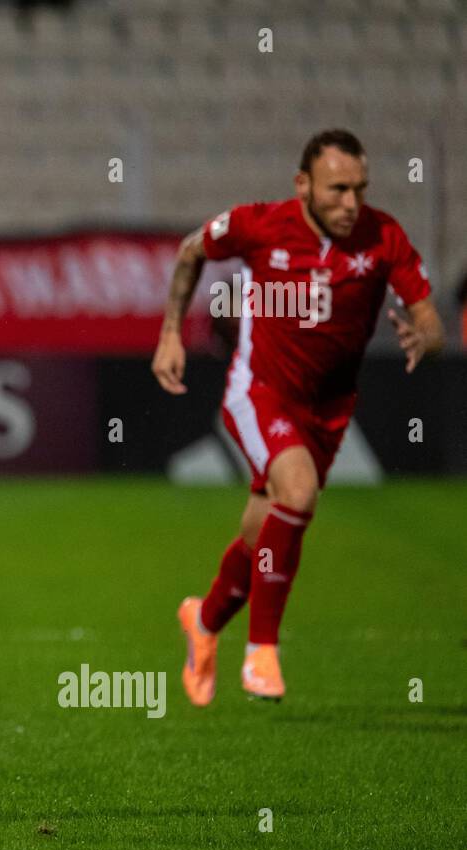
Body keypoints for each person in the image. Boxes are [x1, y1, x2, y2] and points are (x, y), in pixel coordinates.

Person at [152, 128, 443, 706]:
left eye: (359, 189)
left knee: (263, 532)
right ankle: (263, 651)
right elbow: (189, 252)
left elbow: (430, 318)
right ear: (303, 185)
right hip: (259, 391)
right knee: (299, 491)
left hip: (328, 411)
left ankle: (203, 621)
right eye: (337, 189)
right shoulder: (260, 225)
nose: (350, 203)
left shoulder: (383, 237)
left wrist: (426, 339)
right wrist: (169, 334)